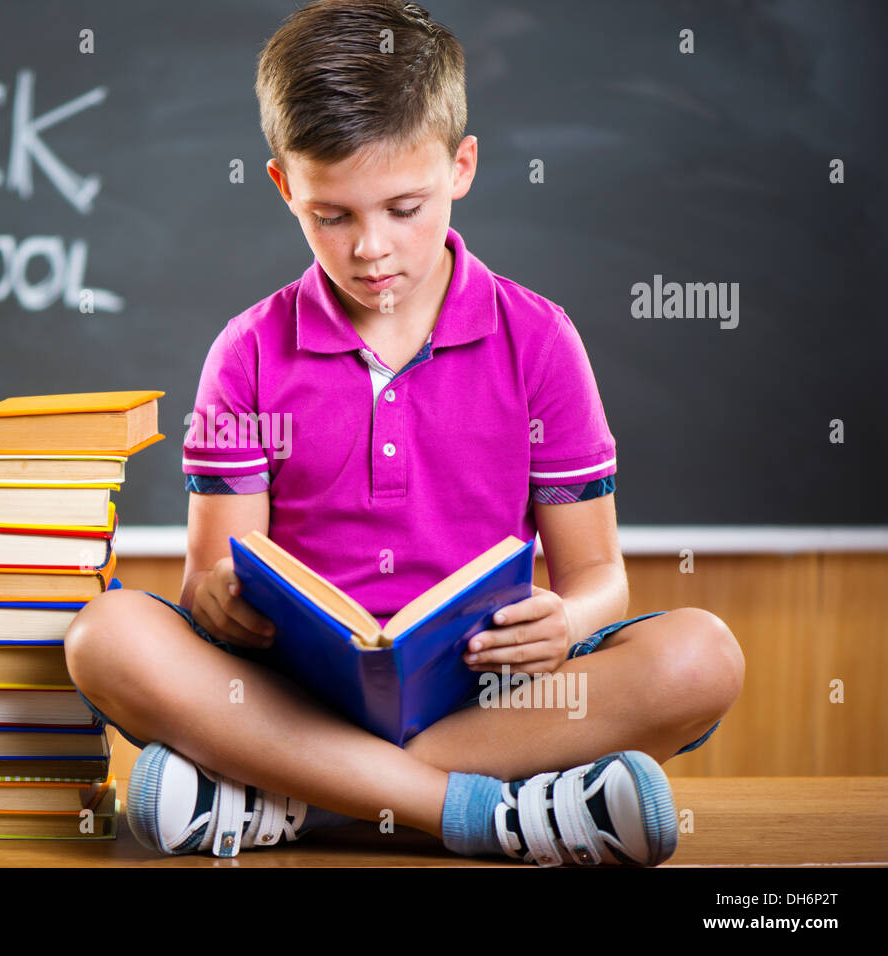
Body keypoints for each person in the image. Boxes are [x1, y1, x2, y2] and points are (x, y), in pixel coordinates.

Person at [63, 0, 745, 866]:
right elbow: (208, 579)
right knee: (105, 636)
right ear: (283, 187)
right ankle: (493, 815)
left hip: (487, 699)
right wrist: (221, 604)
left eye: (404, 207)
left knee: (700, 658)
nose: (371, 249)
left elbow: (599, 576)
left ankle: (296, 794)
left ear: (462, 166)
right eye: (332, 215)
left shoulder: (539, 340)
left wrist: (564, 621)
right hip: (294, 696)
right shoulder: (248, 351)